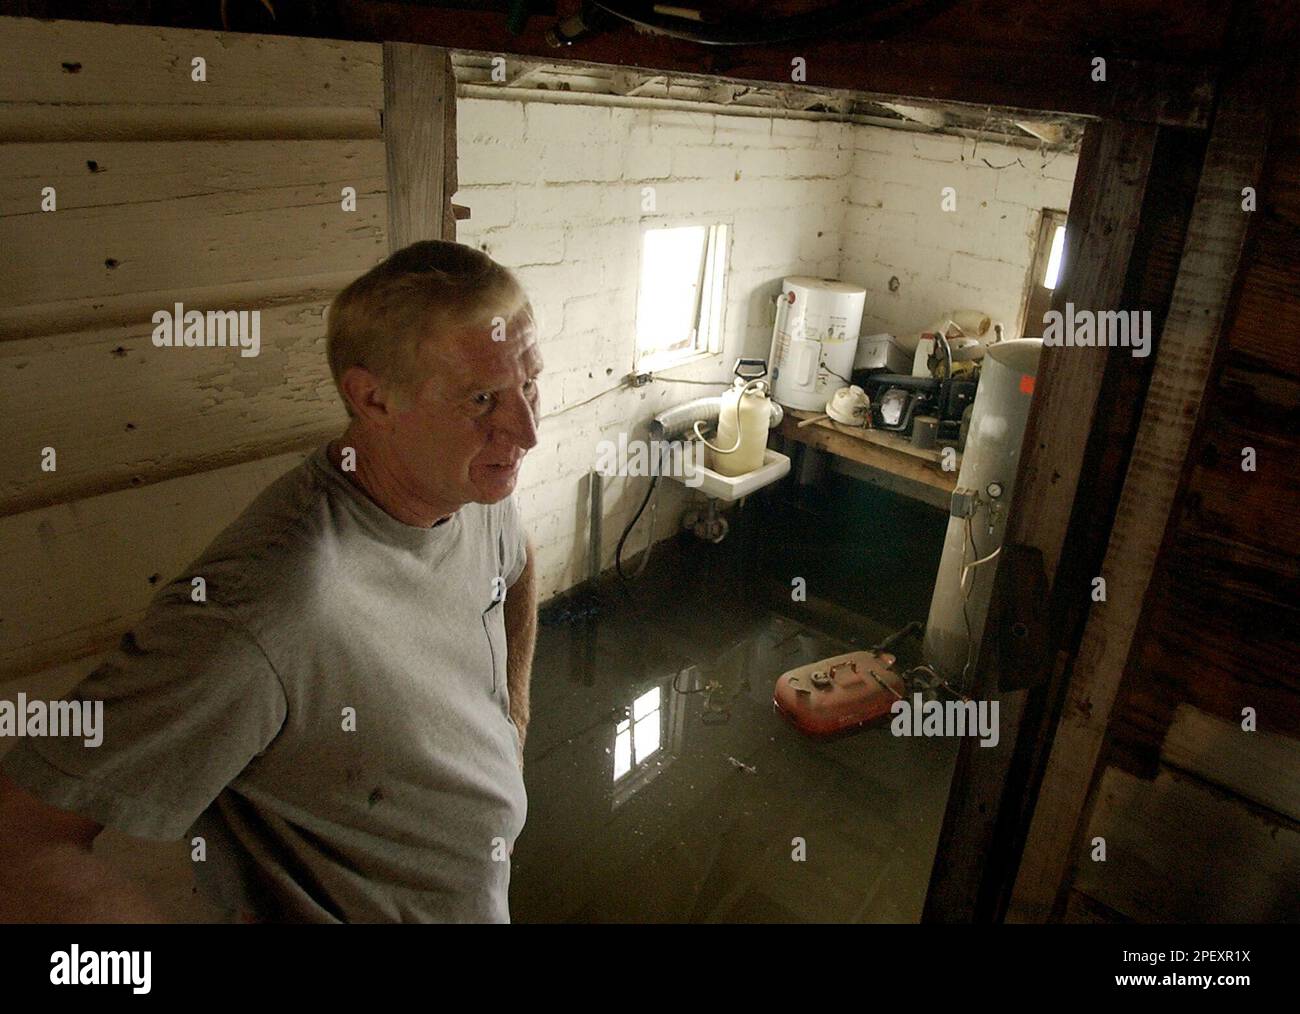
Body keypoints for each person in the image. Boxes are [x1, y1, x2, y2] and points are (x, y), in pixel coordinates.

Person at [0, 241, 542, 923]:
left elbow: (517, 559)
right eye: (482, 398)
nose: (525, 430)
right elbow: (17, 842)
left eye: (530, 384)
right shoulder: (271, 608)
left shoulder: (473, 491)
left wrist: (512, 727)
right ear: (373, 399)